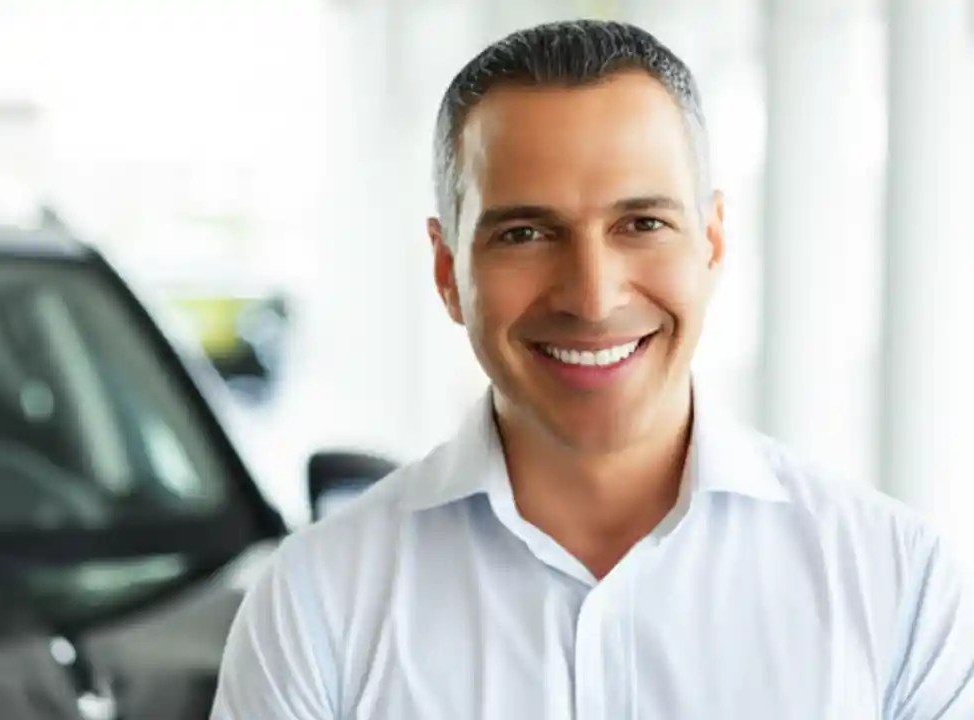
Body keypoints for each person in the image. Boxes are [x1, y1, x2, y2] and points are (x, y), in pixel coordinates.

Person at [211, 19, 973, 719]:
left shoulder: (897, 583)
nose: (593, 295)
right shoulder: (315, 604)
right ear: (447, 270)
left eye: (642, 223)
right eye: (526, 233)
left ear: (711, 241)